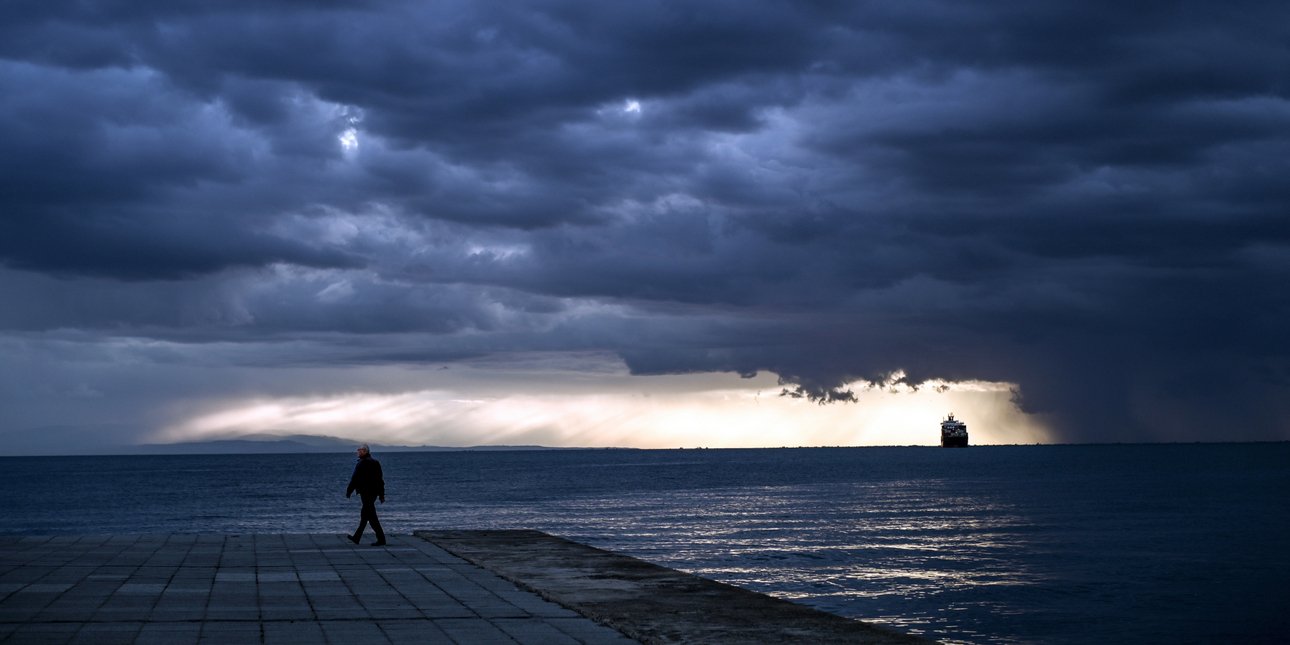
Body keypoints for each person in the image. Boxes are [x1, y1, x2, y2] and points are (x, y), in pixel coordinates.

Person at [345, 444, 386, 546]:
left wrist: (349, 490)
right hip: (373, 493)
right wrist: (381, 494)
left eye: (360, 450)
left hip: (366, 493)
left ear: (365, 451)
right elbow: (380, 480)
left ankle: (358, 537)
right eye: (358, 450)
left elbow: (355, 478)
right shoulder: (375, 463)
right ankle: (360, 537)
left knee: (366, 515)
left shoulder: (361, 463)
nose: (358, 452)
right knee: (370, 516)